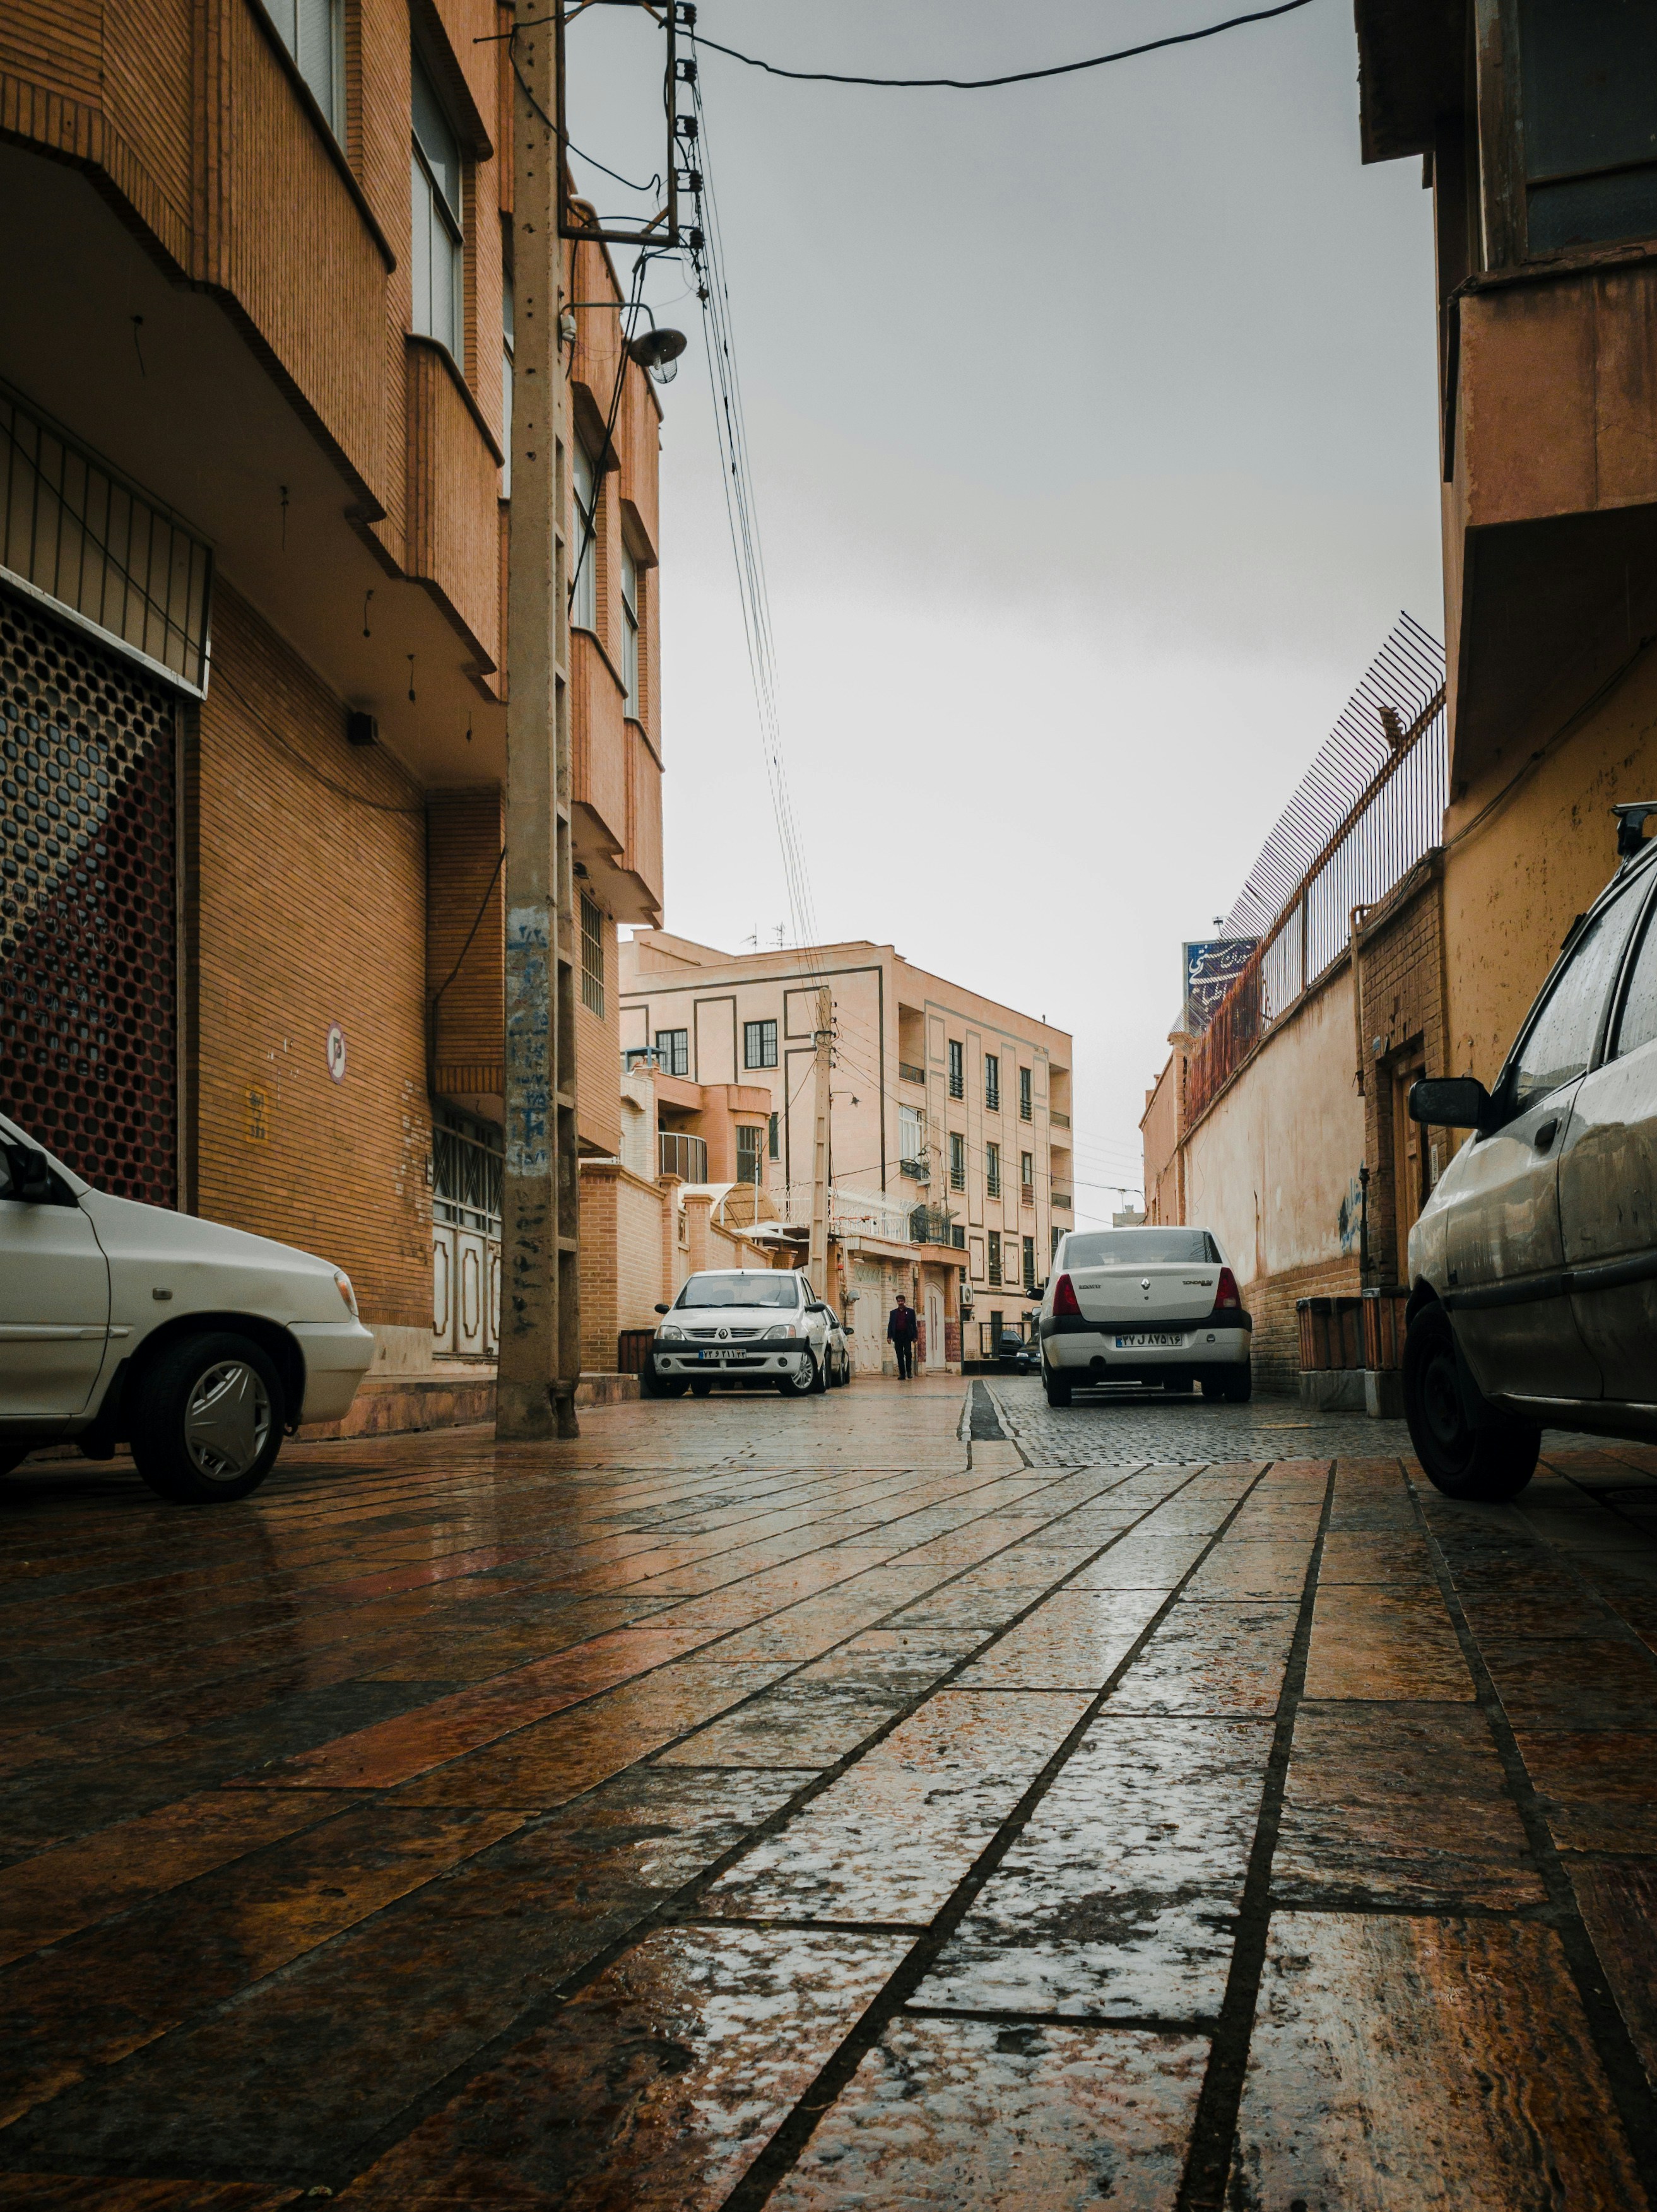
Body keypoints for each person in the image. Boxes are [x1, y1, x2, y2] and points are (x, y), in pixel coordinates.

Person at [887, 1291, 918, 1379]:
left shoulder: (910, 1312)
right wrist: (889, 1337)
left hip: (907, 1336)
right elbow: (890, 1325)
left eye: (901, 1301)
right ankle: (902, 1374)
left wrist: (915, 1337)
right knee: (899, 1355)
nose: (900, 1303)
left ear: (904, 1301)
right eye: (898, 1301)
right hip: (897, 1336)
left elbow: (914, 1325)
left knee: (908, 1353)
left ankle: (909, 1371)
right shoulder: (893, 1313)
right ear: (897, 1302)